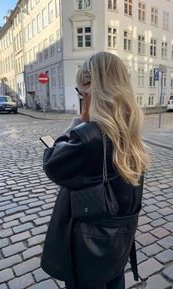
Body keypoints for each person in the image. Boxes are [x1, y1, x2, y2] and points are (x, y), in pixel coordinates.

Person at [41, 52, 149, 289]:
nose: (80, 99)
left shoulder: (89, 138)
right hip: (117, 245)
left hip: (89, 251)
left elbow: (52, 163)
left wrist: (78, 123)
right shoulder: (131, 132)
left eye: (81, 93)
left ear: (93, 93)